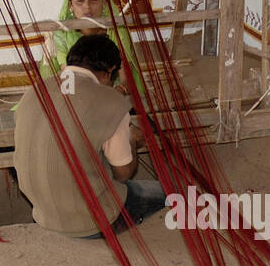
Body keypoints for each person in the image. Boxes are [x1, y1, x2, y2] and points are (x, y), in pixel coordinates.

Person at [15, 33, 166, 239]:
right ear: (110, 71)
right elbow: (122, 174)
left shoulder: (34, 91)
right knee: (168, 191)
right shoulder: (112, 102)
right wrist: (132, 139)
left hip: (43, 213)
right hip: (91, 222)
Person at [42, 0, 146, 96]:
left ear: (103, 2)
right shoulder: (62, 34)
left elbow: (126, 78)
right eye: (80, 1)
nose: (87, 6)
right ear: (70, 5)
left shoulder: (117, 31)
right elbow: (69, 76)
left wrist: (118, 92)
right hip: (75, 93)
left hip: (112, 92)